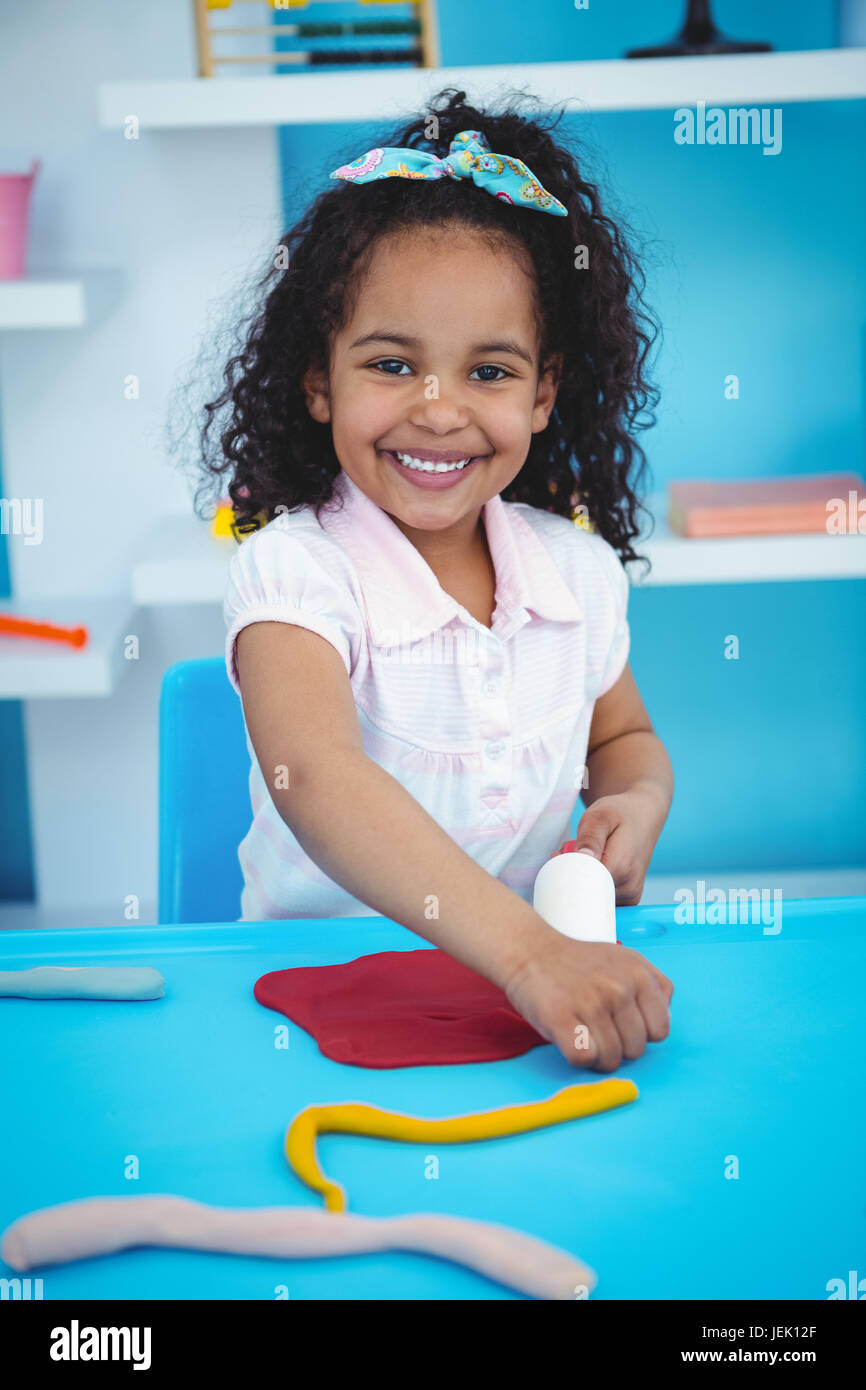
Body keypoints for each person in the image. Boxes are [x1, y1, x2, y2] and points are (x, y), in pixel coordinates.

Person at [197, 88, 674, 1072]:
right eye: (389, 363)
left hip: (522, 1013)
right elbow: (318, 779)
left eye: (488, 373)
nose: (439, 411)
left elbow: (622, 736)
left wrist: (636, 797)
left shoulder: (573, 573)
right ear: (318, 380)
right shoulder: (296, 571)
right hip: (307, 996)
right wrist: (529, 952)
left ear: (543, 393)